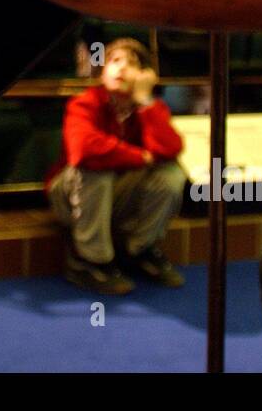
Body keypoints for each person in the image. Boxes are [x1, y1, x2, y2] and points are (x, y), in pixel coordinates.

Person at [46, 37, 188, 294]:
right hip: (74, 196)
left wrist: (145, 102)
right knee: (96, 170)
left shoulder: (150, 108)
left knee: (171, 174)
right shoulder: (85, 103)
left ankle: (138, 250)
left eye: (131, 63)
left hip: (116, 198)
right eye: (114, 60)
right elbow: (85, 150)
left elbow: (169, 149)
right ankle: (88, 260)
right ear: (103, 70)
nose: (121, 68)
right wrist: (141, 157)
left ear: (144, 75)